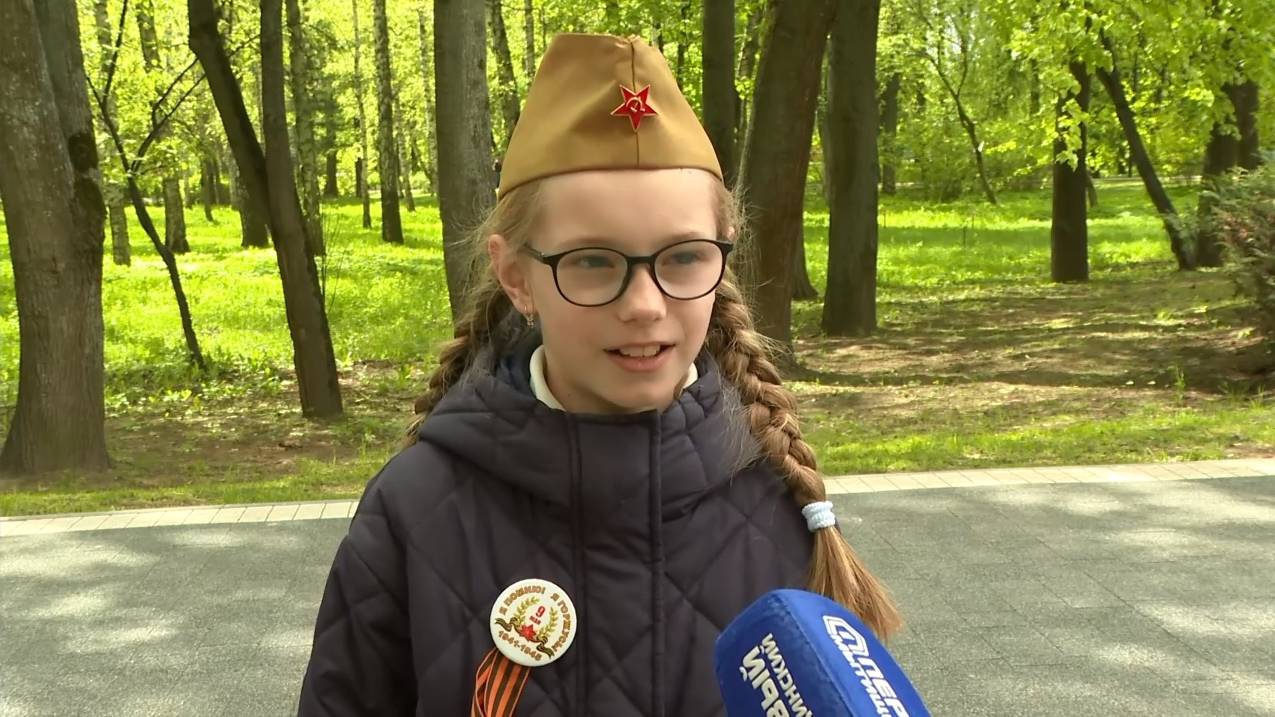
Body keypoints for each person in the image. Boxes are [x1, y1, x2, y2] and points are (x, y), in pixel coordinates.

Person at [297, 32, 899, 716]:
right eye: (591, 262)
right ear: (516, 276)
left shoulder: (777, 499)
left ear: (721, 257)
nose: (644, 305)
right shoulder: (417, 509)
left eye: (683, 257)